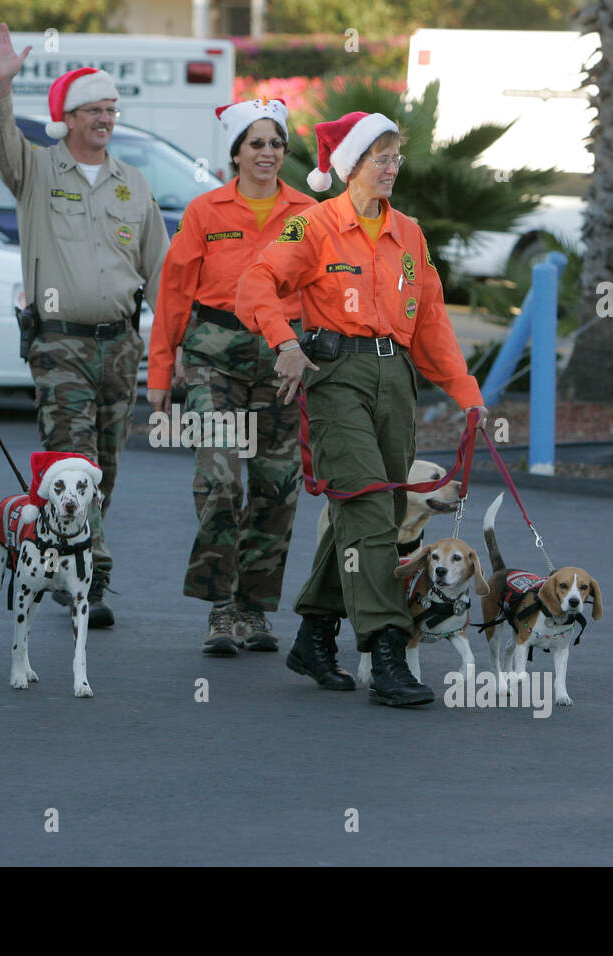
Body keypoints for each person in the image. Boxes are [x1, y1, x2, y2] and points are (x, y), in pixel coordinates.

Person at [235, 111, 488, 708]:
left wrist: (469, 395)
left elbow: (431, 323)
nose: (392, 166)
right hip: (336, 376)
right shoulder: (315, 226)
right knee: (374, 511)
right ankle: (387, 648)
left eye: (397, 156)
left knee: (370, 509)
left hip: (395, 378)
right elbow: (255, 284)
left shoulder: (410, 234)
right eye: (380, 156)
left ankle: (314, 634)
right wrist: (286, 343)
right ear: (350, 166)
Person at [0, 20, 168, 628]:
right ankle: (88, 575)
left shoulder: (132, 184)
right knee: (71, 460)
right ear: (68, 116)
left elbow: (161, 271)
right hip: (59, 344)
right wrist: (3, 87)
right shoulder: (36, 172)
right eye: (94, 109)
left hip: (120, 345)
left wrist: (168, 348)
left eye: (111, 109)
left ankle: (75, 560)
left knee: (105, 465)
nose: (105, 119)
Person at [148, 97, 317, 656]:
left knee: (277, 485)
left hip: (280, 361)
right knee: (220, 481)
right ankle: (220, 607)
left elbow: (318, 294)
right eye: (256, 143)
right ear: (236, 153)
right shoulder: (204, 211)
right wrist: (159, 372)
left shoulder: (308, 212)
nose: (267, 153)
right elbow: (173, 293)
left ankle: (254, 609)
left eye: (275, 143)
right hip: (211, 359)